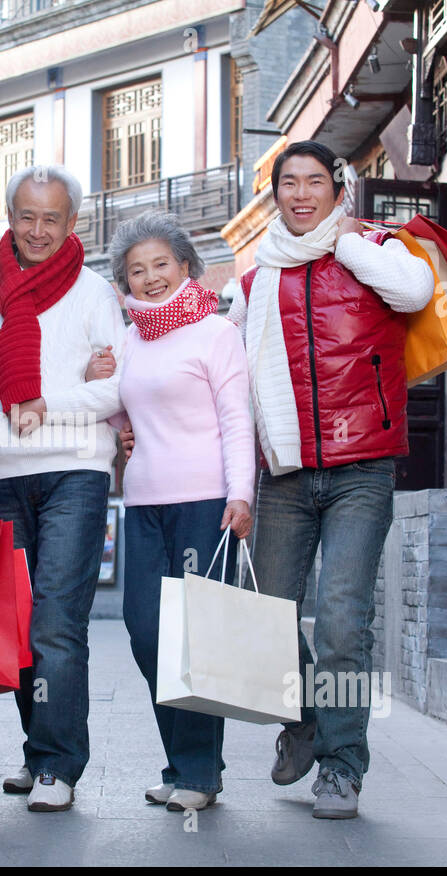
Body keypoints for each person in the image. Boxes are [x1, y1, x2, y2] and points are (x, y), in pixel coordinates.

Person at [218, 140, 432, 819]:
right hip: (284, 474)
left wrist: (344, 241)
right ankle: (307, 718)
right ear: (274, 194)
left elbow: (416, 290)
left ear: (339, 189)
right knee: (268, 619)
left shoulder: (376, 249)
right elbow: (215, 362)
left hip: (360, 472)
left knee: (343, 623)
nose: (302, 194)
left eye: (316, 182)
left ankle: (342, 766)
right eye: (290, 183)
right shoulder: (255, 280)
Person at [0, 164, 125, 812]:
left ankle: (58, 764)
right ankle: (38, 747)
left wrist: (47, 406)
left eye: (52, 218)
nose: (38, 230)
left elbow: (114, 388)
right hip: (1, 479)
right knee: (17, 626)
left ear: (72, 223)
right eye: (27, 216)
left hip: (76, 471)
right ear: (9, 217)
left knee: (55, 621)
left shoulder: (96, 293)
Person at [103, 211, 254, 812]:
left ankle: (195, 772)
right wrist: (120, 426)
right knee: (147, 634)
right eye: (137, 271)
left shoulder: (216, 334)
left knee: (195, 642)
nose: (150, 278)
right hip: (142, 503)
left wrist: (240, 494)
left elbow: (237, 418)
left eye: (161, 264)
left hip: (204, 503)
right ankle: (190, 761)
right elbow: (119, 406)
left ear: (186, 266)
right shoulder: (129, 338)